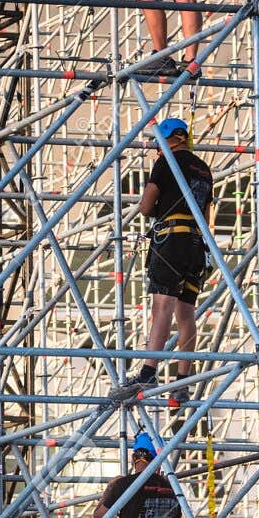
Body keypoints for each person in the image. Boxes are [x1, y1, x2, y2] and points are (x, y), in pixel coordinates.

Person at [111, 117, 213, 411]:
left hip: (171, 239)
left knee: (162, 307)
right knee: (186, 312)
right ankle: (183, 381)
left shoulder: (166, 161)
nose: (156, 146)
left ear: (170, 138)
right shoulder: (203, 169)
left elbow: (145, 207)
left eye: (159, 140)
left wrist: (157, 207)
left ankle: (148, 373)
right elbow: (205, 215)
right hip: (196, 242)